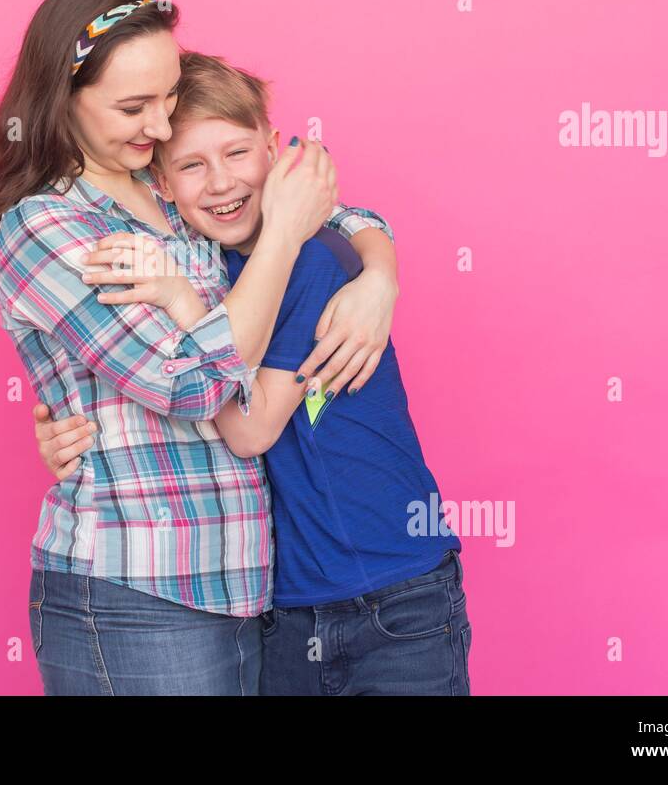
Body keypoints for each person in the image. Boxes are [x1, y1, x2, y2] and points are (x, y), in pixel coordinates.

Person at [0, 0, 401, 695]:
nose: (161, 127)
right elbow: (193, 385)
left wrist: (379, 271)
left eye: (168, 99)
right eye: (135, 108)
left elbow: (305, 214)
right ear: (62, 98)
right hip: (138, 587)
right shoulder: (48, 226)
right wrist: (285, 238)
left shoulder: (162, 192)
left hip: (244, 584)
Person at [34, 51, 471, 695]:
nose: (218, 183)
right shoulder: (214, 268)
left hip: (396, 592)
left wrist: (378, 271)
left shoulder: (308, 262)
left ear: (274, 151)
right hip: (285, 603)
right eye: (190, 165)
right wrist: (74, 430)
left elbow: (248, 430)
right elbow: (143, 373)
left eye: (237, 154)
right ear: (160, 179)